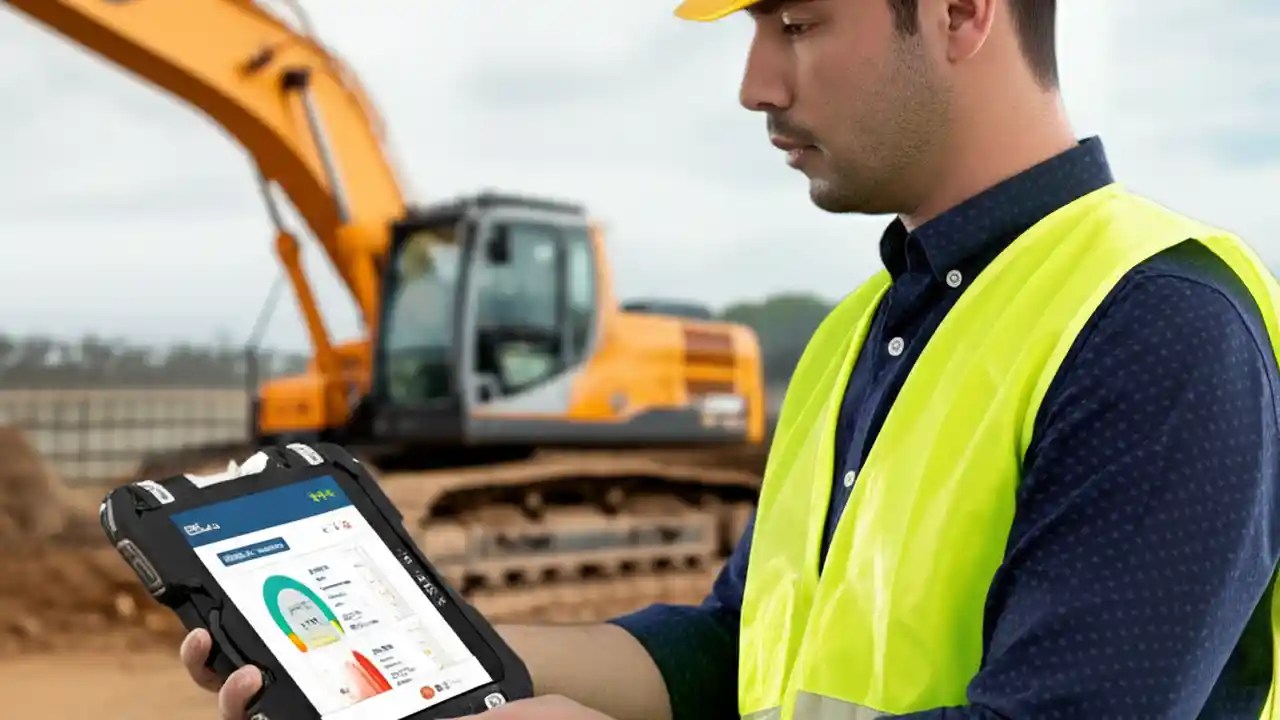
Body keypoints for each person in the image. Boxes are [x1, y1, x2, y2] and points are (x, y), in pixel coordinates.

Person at [185, 0, 1280, 718]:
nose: (755, 83)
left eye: (797, 22)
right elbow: (729, 654)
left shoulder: (1157, 328)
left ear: (958, 12)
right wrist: (420, 658)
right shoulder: (858, 333)